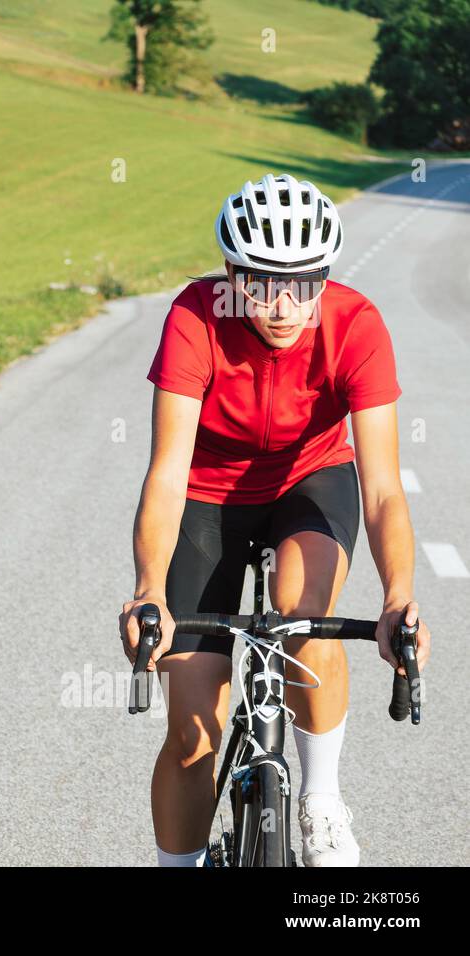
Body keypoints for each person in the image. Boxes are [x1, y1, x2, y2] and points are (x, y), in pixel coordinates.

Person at [119, 173, 432, 867]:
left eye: (305, 283)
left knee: (302, 611)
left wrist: (398, 595)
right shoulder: (196, 317)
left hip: (309, 480)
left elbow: (381, 488)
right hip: (207, 493)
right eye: (261, 284)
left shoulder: (355, 323)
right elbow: (167, 470)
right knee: (192, 731)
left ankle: (321, 797)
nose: (285, 305)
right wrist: (147, 589)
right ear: (232, 275)